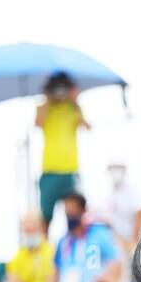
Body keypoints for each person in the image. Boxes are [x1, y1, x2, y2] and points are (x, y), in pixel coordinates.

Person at [35, 71, 91, 230]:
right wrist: (47, 97)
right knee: (45, 217)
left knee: (74, 214)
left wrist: (75, 100)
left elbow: (87, 126)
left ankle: (74, 246)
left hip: (70, 170)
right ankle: (44, 250)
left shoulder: (73, 108)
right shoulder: (42, 107)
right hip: (50, 170)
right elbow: (38, 123)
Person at [0, 212, 56, 282]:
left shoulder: (51, 251)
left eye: (32, 228)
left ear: (41, 227)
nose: (29, 231)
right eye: (26, 229)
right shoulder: (17, 256)